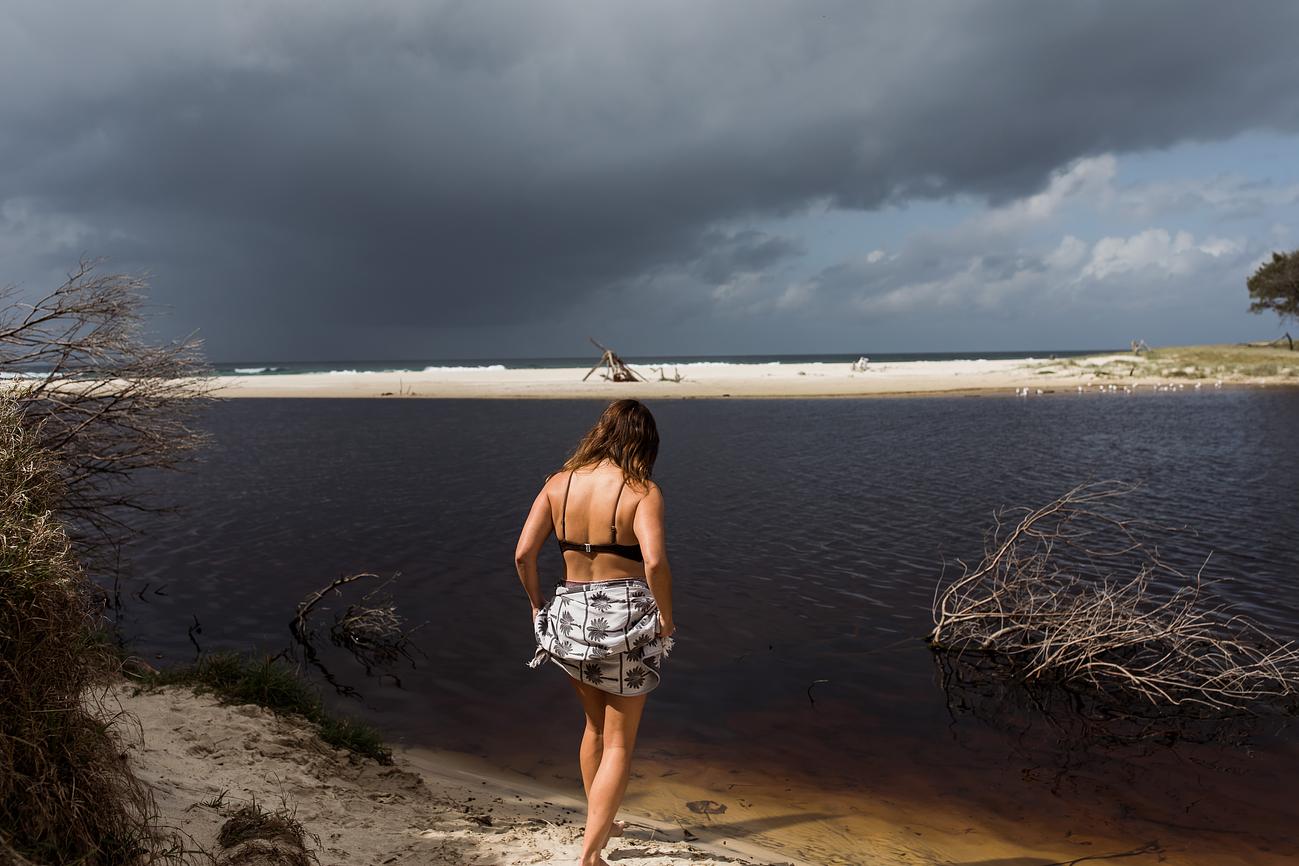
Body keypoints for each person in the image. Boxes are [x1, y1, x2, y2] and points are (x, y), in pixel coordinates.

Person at [514, 399, 676, 866]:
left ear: (601, 432)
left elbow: (524, 555)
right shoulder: (643, 490)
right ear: (645, 443)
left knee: (594, 728)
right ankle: (590, 855)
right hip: (624, 619)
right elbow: (654, 563)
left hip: (569, 615)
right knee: (621, 740)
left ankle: (600, 824)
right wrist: (666, 616)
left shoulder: (557, 483)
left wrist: (536, 606)